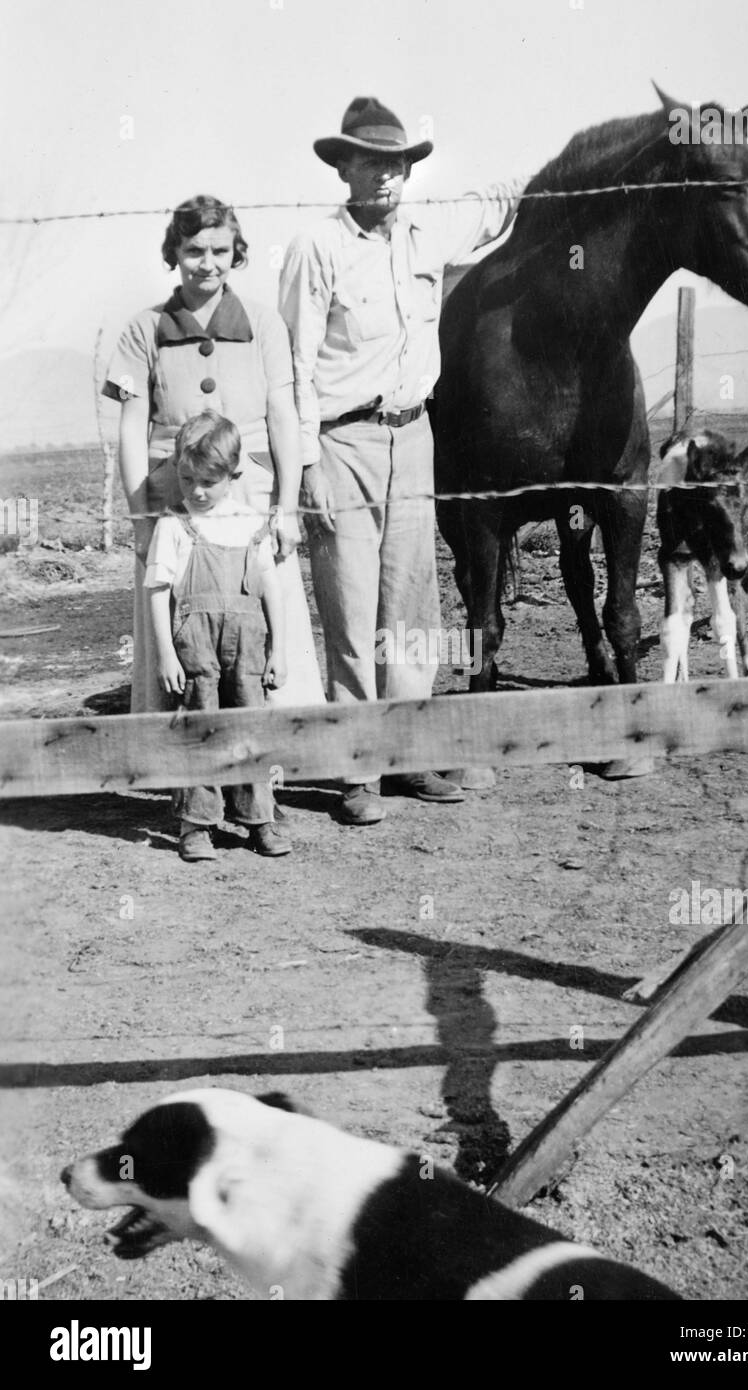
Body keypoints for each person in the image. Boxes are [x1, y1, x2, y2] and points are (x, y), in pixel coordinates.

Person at [280, 97, 525, 825]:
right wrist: (304, 467)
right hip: (341, 443)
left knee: (411, 601)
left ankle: (411, 751)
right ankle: (358, 768)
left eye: (396, 162)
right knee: (351, 604)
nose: (384, 175)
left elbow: (501, 202)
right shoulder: (313, 248)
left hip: (413, 437)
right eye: (370, 161)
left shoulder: (428, 232)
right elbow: (295, 365)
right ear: (344, 167)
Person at [104, 194, 324, 716]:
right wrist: (140, 519)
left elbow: (282, 416)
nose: (209, 263)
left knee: (268, 613)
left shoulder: (264, 324)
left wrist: (287, 507)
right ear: (174, 253)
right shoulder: (143, 330)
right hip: (175, 497)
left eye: (221, 250)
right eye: (195, 251)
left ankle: (277, 755)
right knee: (174, 614)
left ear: (236, 252)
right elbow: (132, 429)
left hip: (250, 495)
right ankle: (177, 764)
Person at [145, 411, 291, 862]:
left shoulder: (252, 524)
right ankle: (196, 824)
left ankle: (259, 820)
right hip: (196, 649)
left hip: (249, 647)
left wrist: (279, 651)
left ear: (234, 476)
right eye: (187, 479)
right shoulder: (174, 525)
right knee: (199, 726)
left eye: (208, 481)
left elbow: (270, 589)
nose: (197, 492)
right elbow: (157, 590)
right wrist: (166, 654)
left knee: (250, 727)